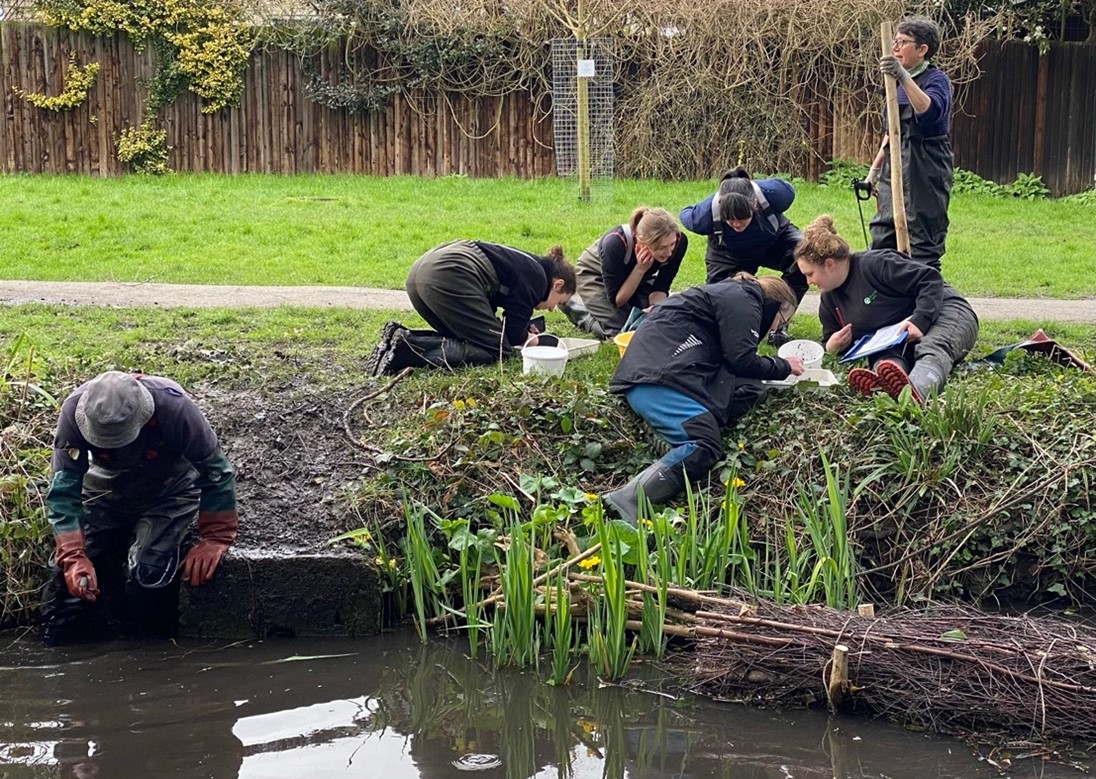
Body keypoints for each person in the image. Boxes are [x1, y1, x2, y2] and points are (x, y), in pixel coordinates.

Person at [40, 371, 238, 646]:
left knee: (148, 573)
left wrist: (216, 537)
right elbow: (64, 491)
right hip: (102, 491)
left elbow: (215, 470)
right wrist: (73, 556)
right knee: (67, 587)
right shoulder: (73, 411)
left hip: (169, 491)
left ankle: (149, 651)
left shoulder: (173, 406)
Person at [603, 274, 804, 524]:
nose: (774, 329)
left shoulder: (731, 294)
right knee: (704, 443)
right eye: (780, 322)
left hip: (662, 369)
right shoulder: (746, 301)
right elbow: (741, 359)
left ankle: (668, 435)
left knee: (751, 390)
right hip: (656, 380)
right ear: (775, 306)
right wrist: (784, 366)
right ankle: (629, 499)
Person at [793, 215, 978, 402]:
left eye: (810, 274)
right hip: (898, 337)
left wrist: (919, 321)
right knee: (883, 357)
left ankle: (915, 394)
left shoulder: (876, 264)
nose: (808, 282)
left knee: (932, 347)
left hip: (946, 311)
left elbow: (930, 280)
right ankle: (888, 382)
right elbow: (830, 339)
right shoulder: (829, 301)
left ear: (830, 265)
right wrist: (832, 346)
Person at [368, 240, 576, 375]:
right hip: (449, 274)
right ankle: (405, 350)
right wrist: (532, 339)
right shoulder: (537, 278)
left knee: (468, 338)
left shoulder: (526, 264)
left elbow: (488, 312)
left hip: (420, 274)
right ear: (557, 284)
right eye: (558, 302)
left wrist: (517, 328)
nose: (552, 309)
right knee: (498, 350)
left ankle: (397, 338)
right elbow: (511, 336)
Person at [679, 167, 808, 346]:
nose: (736, 224)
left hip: (775, 241)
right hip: (728, 252)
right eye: (730, 219)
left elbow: (788, 188)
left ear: (754, 204)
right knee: (720, 295)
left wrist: (752, 186)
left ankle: (778, 324)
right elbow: (684, 213)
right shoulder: (701, 218)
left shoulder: (776, 195)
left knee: (804, 257)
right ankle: (736, 330)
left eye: (742, 218)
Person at [864, 16, 952, 270]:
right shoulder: (892, 84)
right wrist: (874, 172)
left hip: (925, 166)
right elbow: (891, 133)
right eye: (894, 41)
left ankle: (925, 289)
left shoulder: (936, 80)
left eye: (902, 42)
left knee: (922, 236)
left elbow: (929, 111)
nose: (895, 47)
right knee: (883, 234)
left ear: (922, 49)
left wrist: (903, 77)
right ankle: (885, 289)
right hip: (894, 166)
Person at [562, 207, 688, 338]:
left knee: (649, 322)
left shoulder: (679, 242)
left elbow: (661, 286)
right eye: (662, 248)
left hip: (635, 278)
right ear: (642, 242)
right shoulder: (615, 243)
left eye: (672, 244)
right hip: (594, 275)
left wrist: (654, 309)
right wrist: (640, 269)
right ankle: (574, 305)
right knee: (625, 328)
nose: (669, 253)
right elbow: (618, 301)